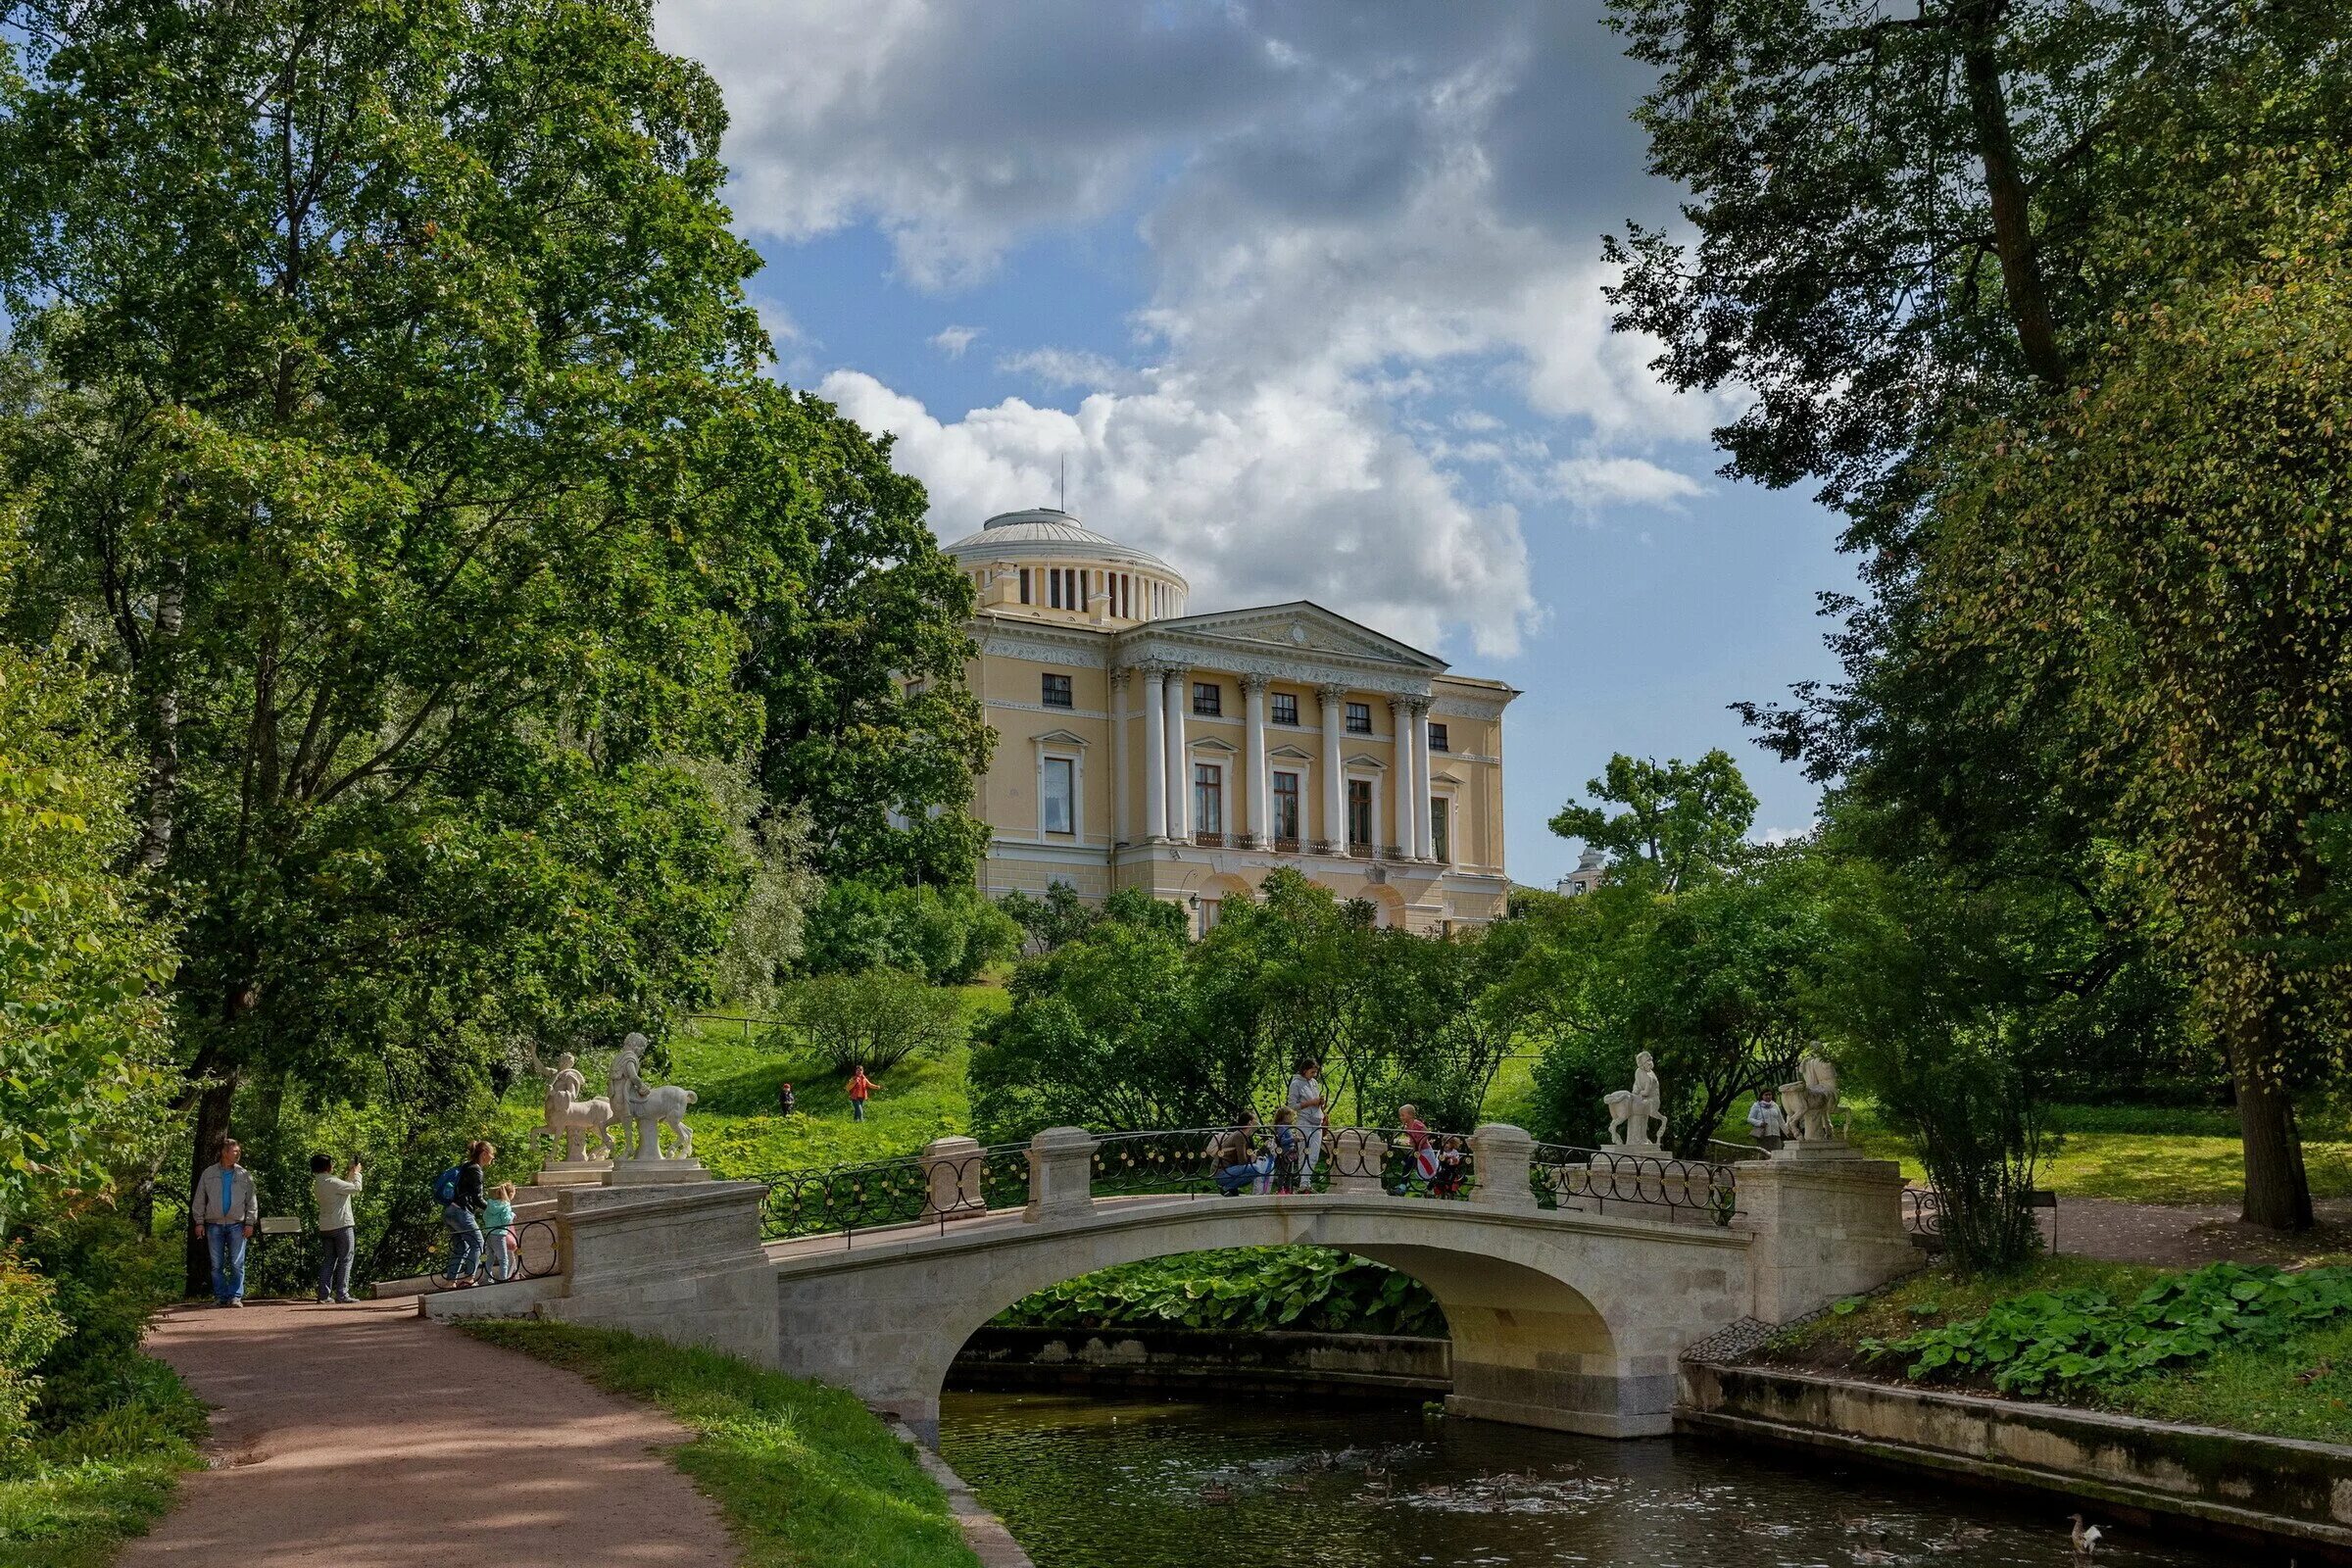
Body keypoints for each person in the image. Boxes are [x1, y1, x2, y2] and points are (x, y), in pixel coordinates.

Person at [193, 1138, 260, 1307]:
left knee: (237, 1263)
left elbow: (252, 1201)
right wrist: (199, 1222)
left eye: (239, 1151)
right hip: (213, 1224)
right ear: (224, 1152)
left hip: (237, 1224)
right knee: (216, 1264)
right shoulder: (208, 1173)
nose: (238, 1154)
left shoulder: (244, 1174)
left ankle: (235, 1296)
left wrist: (250, 1223)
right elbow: (200, 1198)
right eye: (235, 1151)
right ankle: (220, 1296)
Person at [310, 1152, 363, 1304]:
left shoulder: (319, 1183)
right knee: (346, 1259)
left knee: (329, 1260)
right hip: (342, 1224)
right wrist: (357, 1174)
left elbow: (343, 1189)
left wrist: (351, 1174)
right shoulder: (332, 1181)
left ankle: (324, 1294)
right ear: (327, 1166)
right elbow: (356, 1188)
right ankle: (342, 1293)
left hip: (326, 1226)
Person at [440, 1140, 494, 1286]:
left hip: (449, 1211)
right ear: (484, 1154)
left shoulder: (465, 1166)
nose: (493, 1158)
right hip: (461, 1212)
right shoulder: (476, 1169)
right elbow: (477, 1198)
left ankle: (450, 1282)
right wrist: (492, 1208)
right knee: (478, 1242)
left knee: (461, 1247)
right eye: (492, 1154)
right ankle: (469, 1278)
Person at [1284, 1057, 1328, 1177]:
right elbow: (1292, 1105)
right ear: (1304, 1070)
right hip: (1304, 1121)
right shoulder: (1296, 1083)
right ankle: (1304, 1183)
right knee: (1305, 1152)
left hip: (1317, 1121)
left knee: (1314, 1154)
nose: (1314, 1075)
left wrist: (1320, 1103)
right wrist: (1312, 1102)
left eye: (1315, 1072)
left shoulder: (1314, 1083)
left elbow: (1315, 1101)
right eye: (1312, 1072)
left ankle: (1306, 1182)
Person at [1208, 1115, 1267, 1196]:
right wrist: (1252, 1159)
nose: (1255, 1129)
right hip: (1222, 1174)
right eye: (1255, 1124)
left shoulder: (1239, 1134)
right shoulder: (1240, 1136)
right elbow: (1242, 1162)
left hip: (1223, 1172)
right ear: (1250, 1123)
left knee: (1254, 1169)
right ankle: (1227, 1188)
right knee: (1256, 1169)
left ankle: (1231, 1189)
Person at [1391, 1104, 1436, 1196]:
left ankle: (1404, 1187)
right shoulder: (1407, 1127)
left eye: (1403, 1115)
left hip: (1424, 1151)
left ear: (1410, 1115)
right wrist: (1413, 1145)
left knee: (1419, 1169)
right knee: (1407, 1165)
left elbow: (1427, 1133)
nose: (1401, 1117)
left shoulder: (1416, 1124)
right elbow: (1412, 1140)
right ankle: (1404, 1186)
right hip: (1416, 1151)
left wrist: (1420, 1145)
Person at [481, 1182, 518, 1283]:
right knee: (503, 1259)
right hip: (499, 1234)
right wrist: (512, 1215)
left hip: (489, 1233)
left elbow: (484, 1217)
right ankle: (503, 1280)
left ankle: (488, 1279)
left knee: (489, 1258)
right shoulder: (506, 1206)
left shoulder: (490, 1204)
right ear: (510, 1194)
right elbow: (506, 1220)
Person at [1270, 1106, 1304, 1195]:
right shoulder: (1281, 1127)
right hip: (1285, 1153)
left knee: (1290, 1172)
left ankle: (1288, 1188)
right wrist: (1293, 1139)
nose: (1292, 1118)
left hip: (1290, 1152)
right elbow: (1282, 1141)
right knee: (1284, 1172)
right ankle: (1280, 1189)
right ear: (1285, 1116)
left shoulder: (1286, 1127)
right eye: (1290, 1116)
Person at [1430, 1135, 1468, 1199]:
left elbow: (1457, 1161)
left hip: (1452, 1168)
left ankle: (1451, 1191)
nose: (1445, 1144)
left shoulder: (1454, 1152)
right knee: (1439, 1178)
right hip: (1442, 1169)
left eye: (1447, 1143)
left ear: (1452, 1144)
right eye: (1443, 1142)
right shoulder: (1441, 1151)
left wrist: (1453, 1160)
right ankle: (1434, 1190)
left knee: (1456, 1177)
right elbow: (1438, 1161)